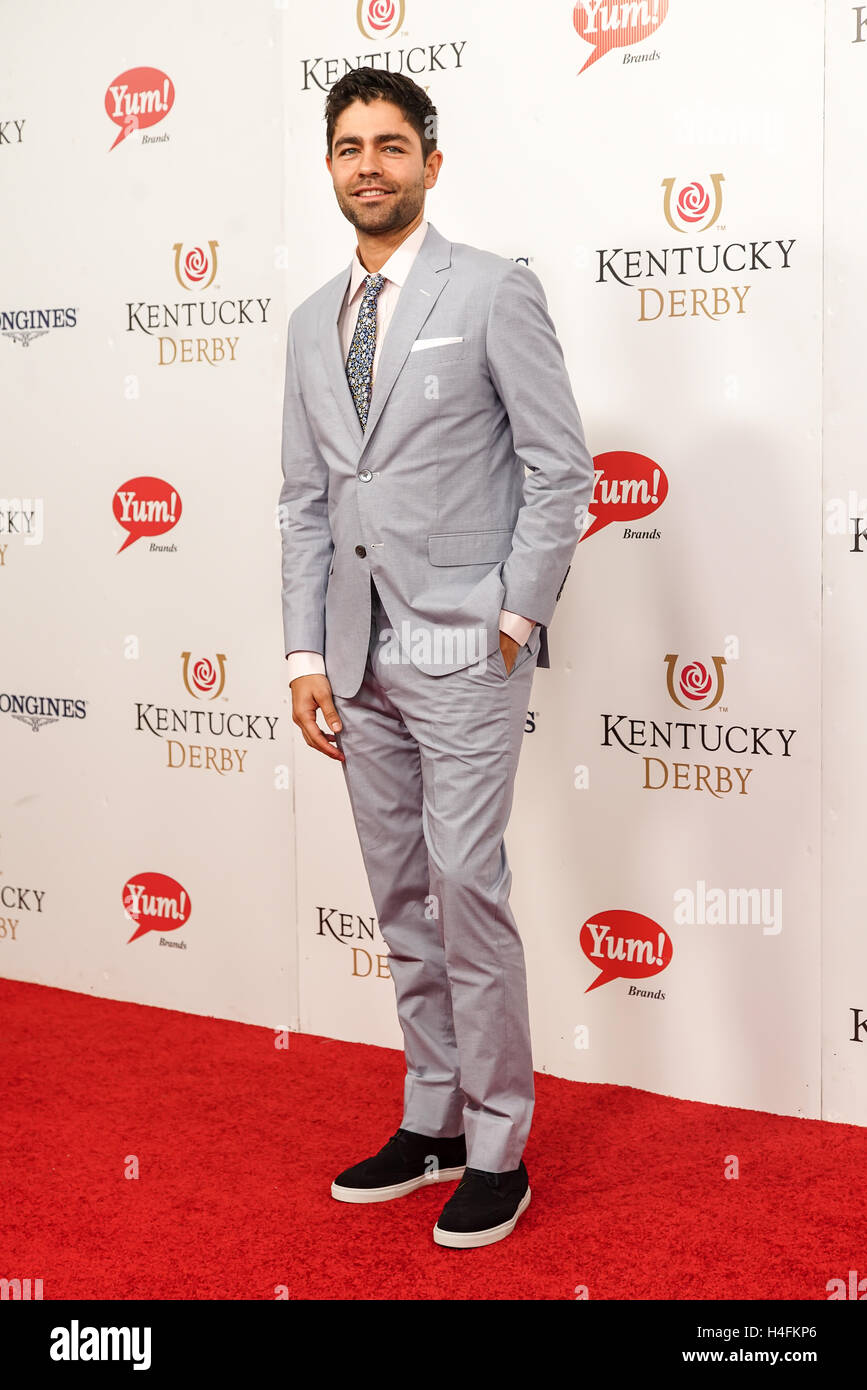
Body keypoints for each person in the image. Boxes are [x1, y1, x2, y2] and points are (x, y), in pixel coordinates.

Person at [279, 67, 593, 1249]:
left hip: (468, 649)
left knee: (468, 890)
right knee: (402, 897)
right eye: (351, 146)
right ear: (330, 165)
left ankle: (501, 1141)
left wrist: (512, 620)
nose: (372, 164)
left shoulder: (496, 290)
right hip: (355, 658)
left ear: (431, 161)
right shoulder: (314, 321)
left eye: (392, 145)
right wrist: (304, 650)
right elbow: (305, 500)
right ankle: (434, 1116)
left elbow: (561, 469)